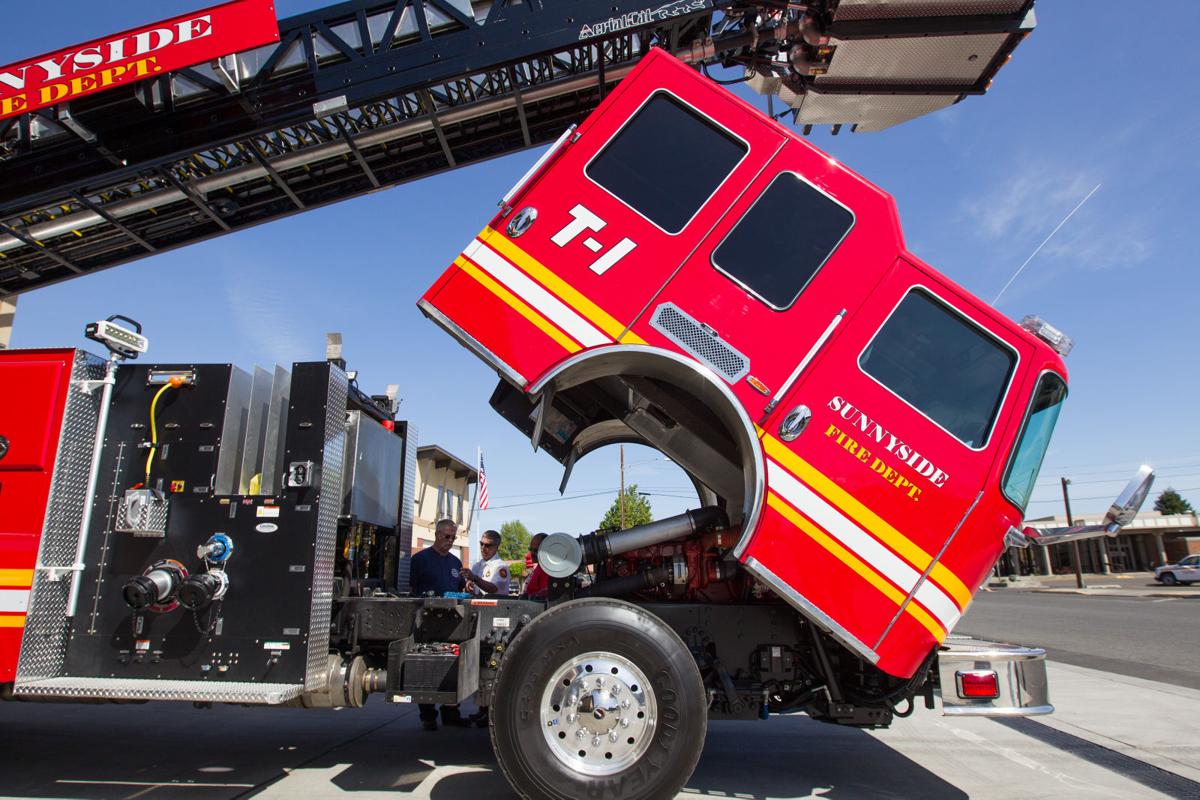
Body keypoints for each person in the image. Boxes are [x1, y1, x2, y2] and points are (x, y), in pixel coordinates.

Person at [409, 518, 469, 730]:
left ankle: (451, 713)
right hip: (426, 623)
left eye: (453, 537)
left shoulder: (455, 562)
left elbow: (461, 588)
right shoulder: (420, 560)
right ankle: (428, 715)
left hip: (452, 624)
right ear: (436, 535)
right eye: (447, 536)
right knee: (426, 668)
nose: (450, 541)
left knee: (453, 668)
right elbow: (411, 589)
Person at [464, 529, 509, 596]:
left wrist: (474, 578)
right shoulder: (476, 566)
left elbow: (494, 589)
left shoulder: (501, 566)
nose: (483, 548)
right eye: (481, 544)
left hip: (496, 602)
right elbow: (472, 591)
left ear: (496, 547)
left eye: (487, 545)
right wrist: (468, 587)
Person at [521, 533, 550, 600]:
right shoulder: (540, 566)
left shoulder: (546, 570)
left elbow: (543, 596)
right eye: (530, 549)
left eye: (536, 550)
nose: (532, 553)